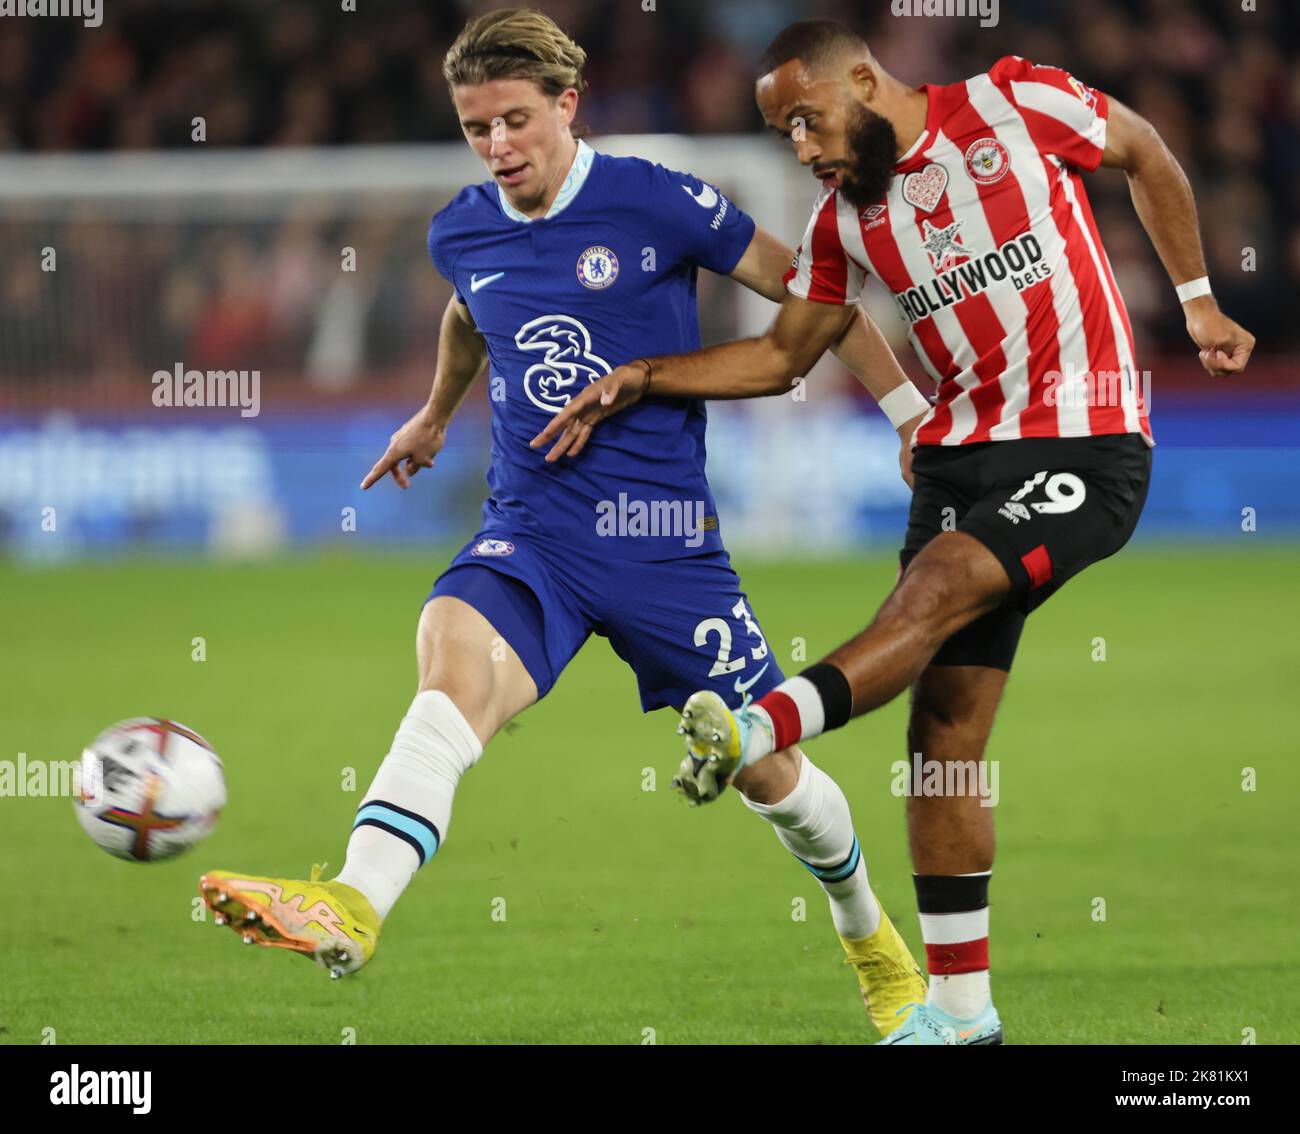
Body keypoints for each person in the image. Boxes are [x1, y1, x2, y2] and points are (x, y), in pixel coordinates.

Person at [198, 8, 935, 1038]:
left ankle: (872, 941)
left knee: (773, 776)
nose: (497, 148)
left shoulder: (658, 201)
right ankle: (355, 902)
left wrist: (905, 413)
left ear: (566, 105)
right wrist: (435, 410)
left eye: (514, 122)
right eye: (474, 129)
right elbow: (470, 310)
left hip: (663, 546)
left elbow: (822, 299)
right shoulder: (461, 227)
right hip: (531, 533)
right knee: (448, 670)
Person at [531, 19, 1256, 1045]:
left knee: (933, 593)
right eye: (783, 133)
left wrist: (1197, 302)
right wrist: (646, 377)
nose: (801, 146)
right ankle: (963, 1018)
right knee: (944, 744)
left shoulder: (1014, 103)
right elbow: (784, 356)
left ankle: (761, 726)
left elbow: (1147, 152)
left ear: (863, 79)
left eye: (805, 119)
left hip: (1084, 444)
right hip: (960, 461)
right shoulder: (841, 224)